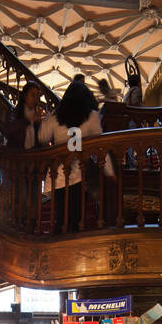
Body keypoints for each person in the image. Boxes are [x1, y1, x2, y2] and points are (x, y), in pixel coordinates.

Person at [37, 79, 113, 233]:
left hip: (59, 172)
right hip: (79, 172)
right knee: (77, 215)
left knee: (61, 213)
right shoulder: (91, 116)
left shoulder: (54, 116)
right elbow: (101, 146)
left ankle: (60, 241)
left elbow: (42, 137)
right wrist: (109, 172)